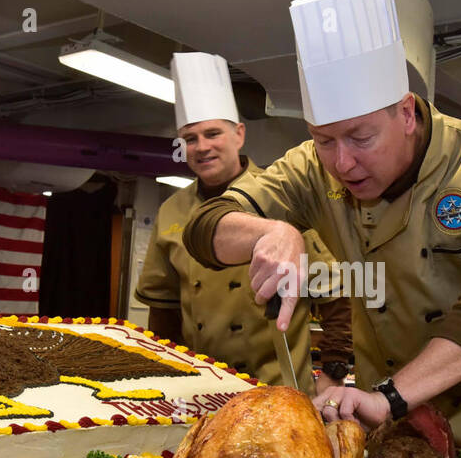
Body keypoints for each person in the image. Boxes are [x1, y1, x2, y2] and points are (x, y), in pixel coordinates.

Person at [182, 0, 461, 451]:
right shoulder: (310, 168)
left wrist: (392, 396)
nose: (342, 163)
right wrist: (271, 229)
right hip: (389, 432)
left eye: (360, 138)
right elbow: (204, 227)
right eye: (324, 140)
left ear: (406, 113)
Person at [135, 52, 352, 391]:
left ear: (239, 134)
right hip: (201, 388)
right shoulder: (171, 211)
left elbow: (336, 295)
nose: (201, 147)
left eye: (212, 134)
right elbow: (164, 308)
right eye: (191, 139)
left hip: (276, 387)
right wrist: (164, 375)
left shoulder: (283, 198)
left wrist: (334, 370)